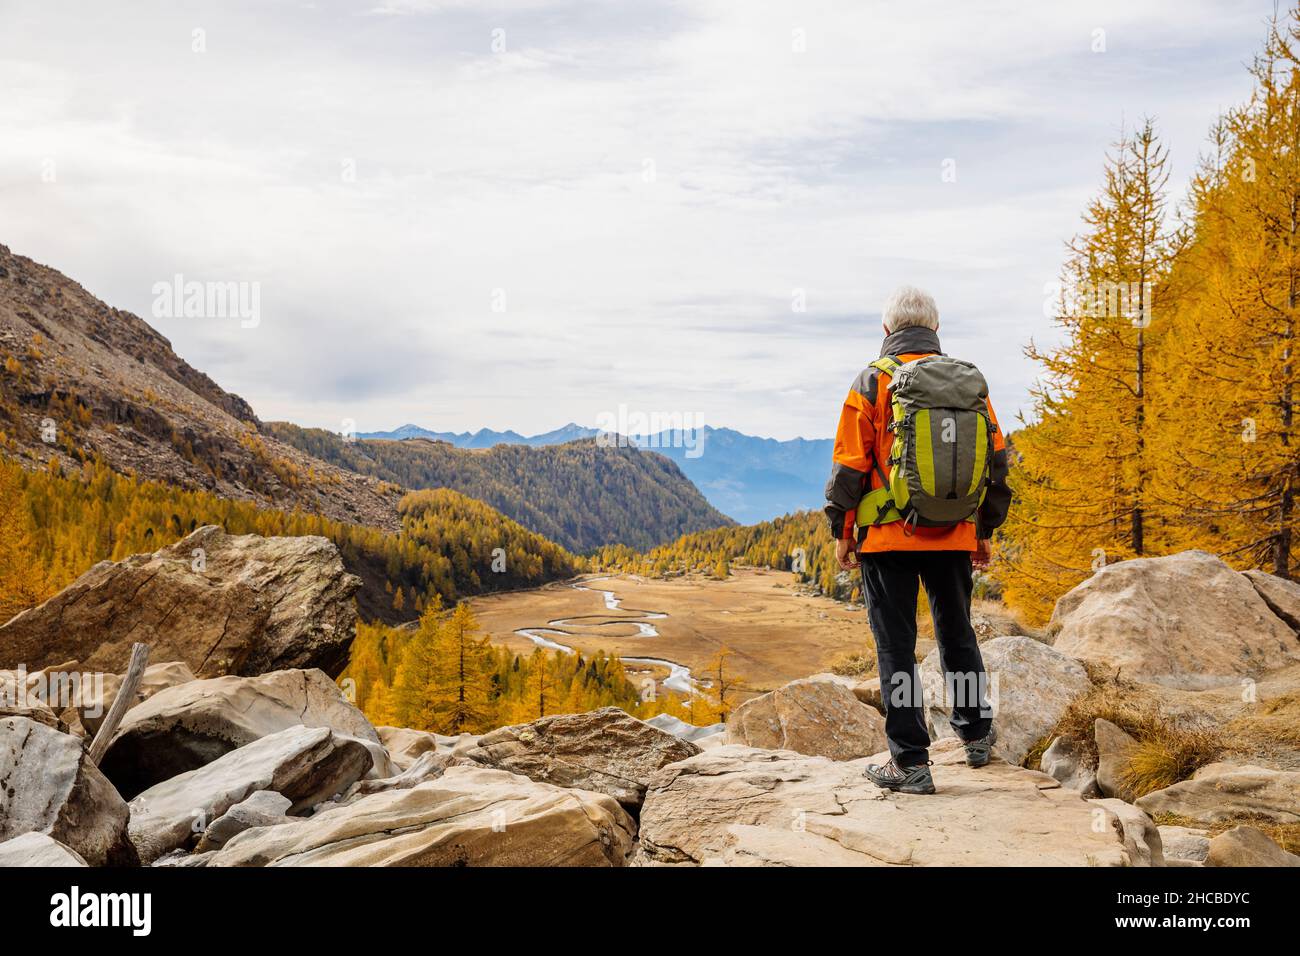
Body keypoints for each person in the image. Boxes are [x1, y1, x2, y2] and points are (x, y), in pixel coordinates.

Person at [824, 286, 1011, 795]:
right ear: (936, 328)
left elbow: (850, 465)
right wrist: (983, 531)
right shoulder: (970, 383)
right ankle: (976, 736)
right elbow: (996, 463)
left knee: (897, 648)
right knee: (958, 634)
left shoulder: (873, 380)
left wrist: (843, 531)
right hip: (953, 533)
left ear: (887, 331)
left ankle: (910, 762)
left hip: (889, 537)